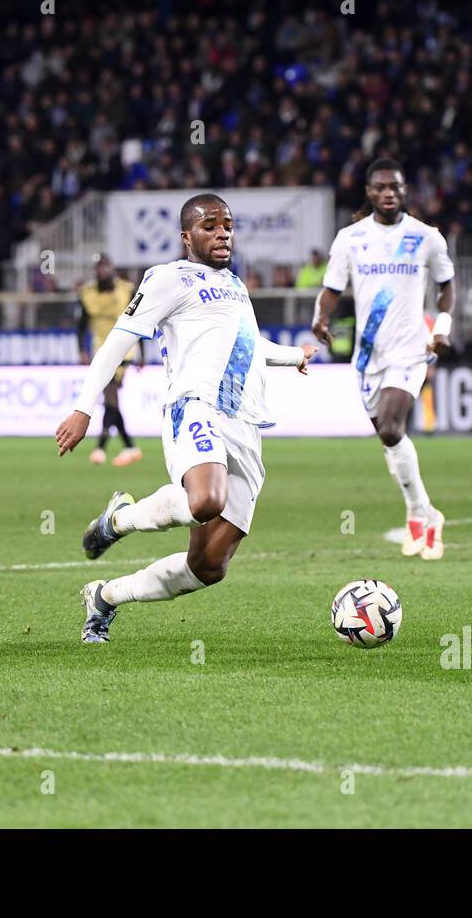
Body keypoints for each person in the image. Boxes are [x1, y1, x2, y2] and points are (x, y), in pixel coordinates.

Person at [55, 194, 315, 643]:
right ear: (186, 236)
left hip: (247, 425)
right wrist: (83, 407)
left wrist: (294, 356)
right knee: (205, 502)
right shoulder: (167, 279)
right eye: (210, 226)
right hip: (195, 407)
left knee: (209, 567)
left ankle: (106, 596)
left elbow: (250, 346)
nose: (222, 233)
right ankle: (122, 520)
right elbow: (116, 344)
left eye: (228, 226)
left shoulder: (236, 285)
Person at [311, 158, 455, 559]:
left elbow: (446, 286)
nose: (388, 193)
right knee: (389, 442)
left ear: (405, 191)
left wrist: (441, 326)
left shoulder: (426, 238)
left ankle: (417, 512)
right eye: (380, 187)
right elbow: (332, 289)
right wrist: (320, 317)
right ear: (369, 192)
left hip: (411, 350)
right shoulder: (350, 238)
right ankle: (428, 513)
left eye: (395, 186)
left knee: (392, 429)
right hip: (367, 356)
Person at [77, 253, 144, 466]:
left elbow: (140, 321)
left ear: (112, 268)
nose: (102, 271)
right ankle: (129, 447)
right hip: (101, 353)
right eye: (99, 267)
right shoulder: (86, 294)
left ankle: (100, 448)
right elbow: (81, 324)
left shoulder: (127, 289)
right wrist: (81, 349)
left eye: (105, 266)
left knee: (110, 396)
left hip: (125, 353)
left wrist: (142, 352)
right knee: (111, 400)